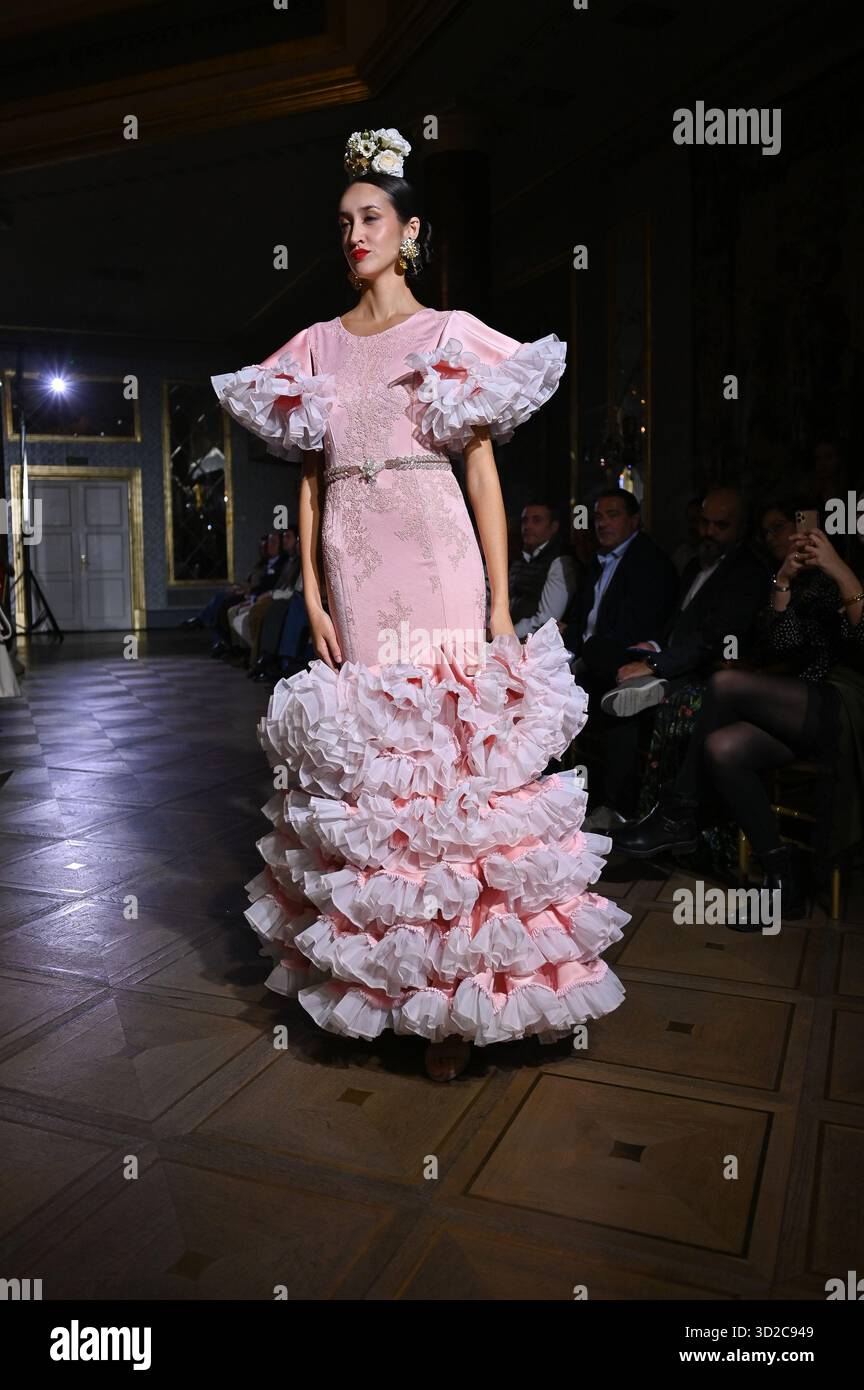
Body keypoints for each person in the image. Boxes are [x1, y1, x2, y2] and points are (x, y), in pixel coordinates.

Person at [211, 126, 626, 1082]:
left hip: (438, 556)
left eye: (370, 218)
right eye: (344, 222)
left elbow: (482, 477)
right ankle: (385, 987)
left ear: (409, 231)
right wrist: (312, 590)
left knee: (448, 768)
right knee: (375, 775)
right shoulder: (314, 344)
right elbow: (310, 482)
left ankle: (456, 1007)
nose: (354, 235)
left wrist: (491, 603)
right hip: (357, 561)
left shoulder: (449, 334)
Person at [612, 525, 864, 925]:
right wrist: (782, 581)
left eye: (802, 527)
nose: (790, 537)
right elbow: (780, 645)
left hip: (851, 702)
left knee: (725, 684)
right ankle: (784, 882)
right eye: (784, 529)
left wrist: (841, 570)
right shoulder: (811, 584)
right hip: (804, 702)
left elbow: (861, 640)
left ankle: (679, 813)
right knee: (722, 749)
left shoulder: (845, 570)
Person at [559, 489, 678, 820]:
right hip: (595, 661)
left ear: (634, 520)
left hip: (628, 656)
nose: (603, 523)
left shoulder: (647, 560)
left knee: (616, 705)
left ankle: (615, 809)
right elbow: (582, 618)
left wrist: (582, 653)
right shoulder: (600, 560)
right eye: (598, 517)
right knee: (558, 690)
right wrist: (563, 647)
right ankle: (561, 799)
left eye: (612, 515)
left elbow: (640, 625)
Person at [600, 486, 769, 719]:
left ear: (741, 529)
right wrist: (654, 645)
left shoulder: (747, 573)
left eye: (721, 525)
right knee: (600, 651)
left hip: (699, 667)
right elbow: (675, 620)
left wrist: (655, 665)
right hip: (668, 655)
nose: (709, 531)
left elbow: (714, 637)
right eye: (704, 522)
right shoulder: (694, 566)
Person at [508, 501, 576, 639]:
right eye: (525, 521)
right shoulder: (520, 558)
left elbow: (547, 618)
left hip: (536, 642)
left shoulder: (560, 561)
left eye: (537, 520)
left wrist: (507, 634)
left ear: (553, 526)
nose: (528, 526)